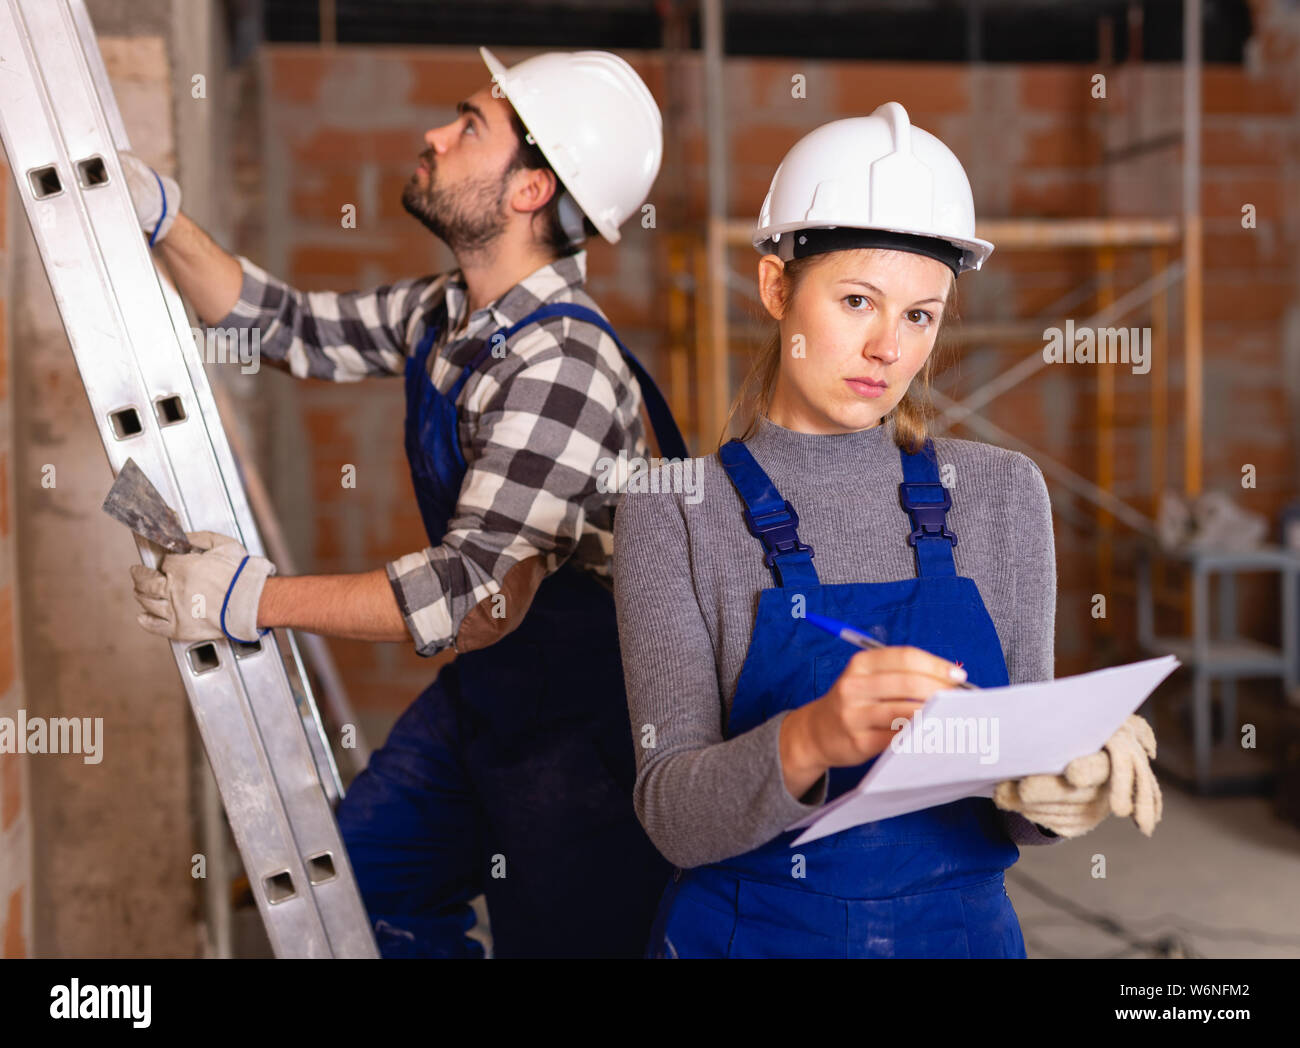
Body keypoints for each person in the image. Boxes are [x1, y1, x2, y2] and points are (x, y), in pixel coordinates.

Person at [126, 47, 682, 958]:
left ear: (530, 190)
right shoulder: (446, 315)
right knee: (354, 897)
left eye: (470, 127)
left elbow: (473, 599)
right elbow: (292, 327)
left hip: (582, 742)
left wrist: (252, 600)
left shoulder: (562, 368)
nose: (434, 135)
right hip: (486, 702)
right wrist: (163, 221)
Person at [612, 102, 1162, 959]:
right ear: (776, 289)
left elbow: (1014, 805)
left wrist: (1061, 791)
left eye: (920, 315)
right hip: (752, 939)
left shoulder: (1001, 494)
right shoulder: (675, 506)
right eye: (858, 300)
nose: (887, 349)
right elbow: (672, 815)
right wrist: (811, 738)